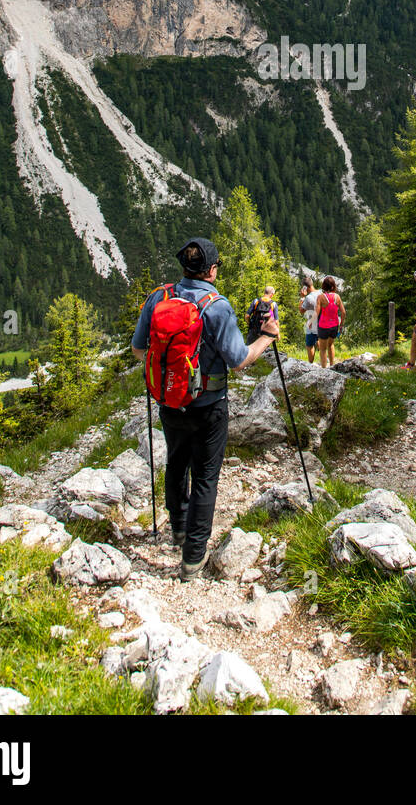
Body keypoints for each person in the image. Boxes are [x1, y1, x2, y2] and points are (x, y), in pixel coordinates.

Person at [131, 238, 273, 580]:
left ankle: (177, 528)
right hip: (208, 404)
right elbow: (239, 360)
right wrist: (266, 338)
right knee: (206, 475)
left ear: (184, 267)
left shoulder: (158, 297)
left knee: (176, 460)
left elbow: (139, 350)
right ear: (211, 270)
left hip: (169, 401)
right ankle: (192, 558)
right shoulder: (217, 306)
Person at [315, 276, 344, 367]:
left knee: (323, 349)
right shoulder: (337, 297)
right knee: (331, 345)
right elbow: (343, 312)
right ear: (333, 286)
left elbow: (316, 313)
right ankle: (332, 365)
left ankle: (324, 369)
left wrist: (311, 324)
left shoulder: (321, 297)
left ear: (324, 286)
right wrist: (341, 325)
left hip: (323, 326)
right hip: (334, 325)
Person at [299, 277, 320, 363]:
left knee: (310, 344)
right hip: (322, 321)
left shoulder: (308, 298)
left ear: (305, 287)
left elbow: (301, 310)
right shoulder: (321, 292)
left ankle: (310, 363)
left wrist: (302, 298)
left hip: (312, 323)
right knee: (319, 339)